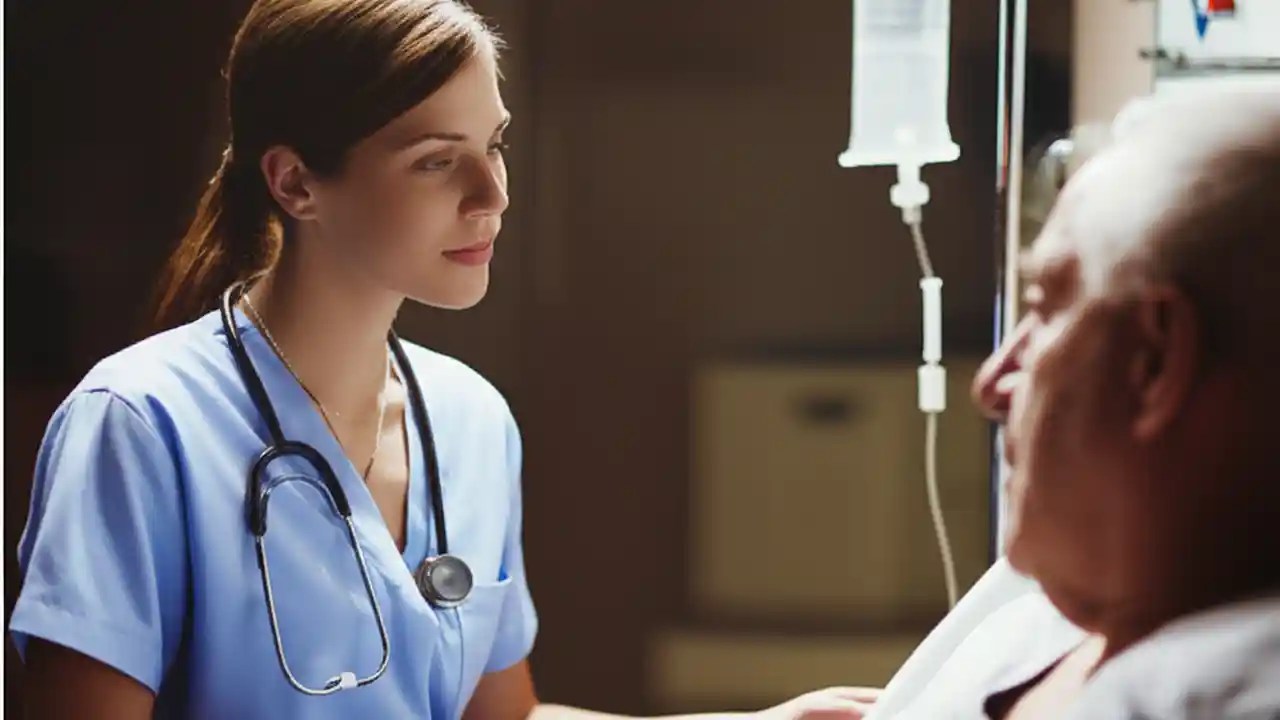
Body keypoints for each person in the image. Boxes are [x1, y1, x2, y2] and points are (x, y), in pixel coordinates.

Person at [8, 2, 881, 718]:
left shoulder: (468, 419)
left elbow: (502, 719)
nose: (494, 195)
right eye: (436, 161)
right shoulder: (140, 425)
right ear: (295, 183)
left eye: (494, 145)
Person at [866, 89, 1280, 719]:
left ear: (1155, 361)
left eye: (1044, 308)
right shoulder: (1042, 609)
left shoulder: (1205, 690)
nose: (993, 383)